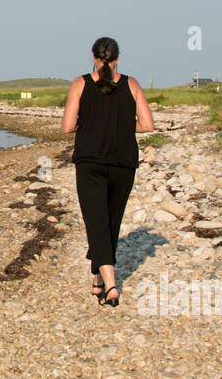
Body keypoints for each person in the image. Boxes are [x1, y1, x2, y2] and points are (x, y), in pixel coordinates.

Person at [61, 37, 155, 307]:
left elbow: (68, 127)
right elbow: (147, 125)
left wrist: (93, 123)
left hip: (90, 162)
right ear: (118, 58)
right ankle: (98, 279)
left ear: (93, 56)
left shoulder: (80, 83)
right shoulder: (132, 84)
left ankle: (111, 283)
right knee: (111, 222)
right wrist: (122, 126)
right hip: (123, 163)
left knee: (96, 222)